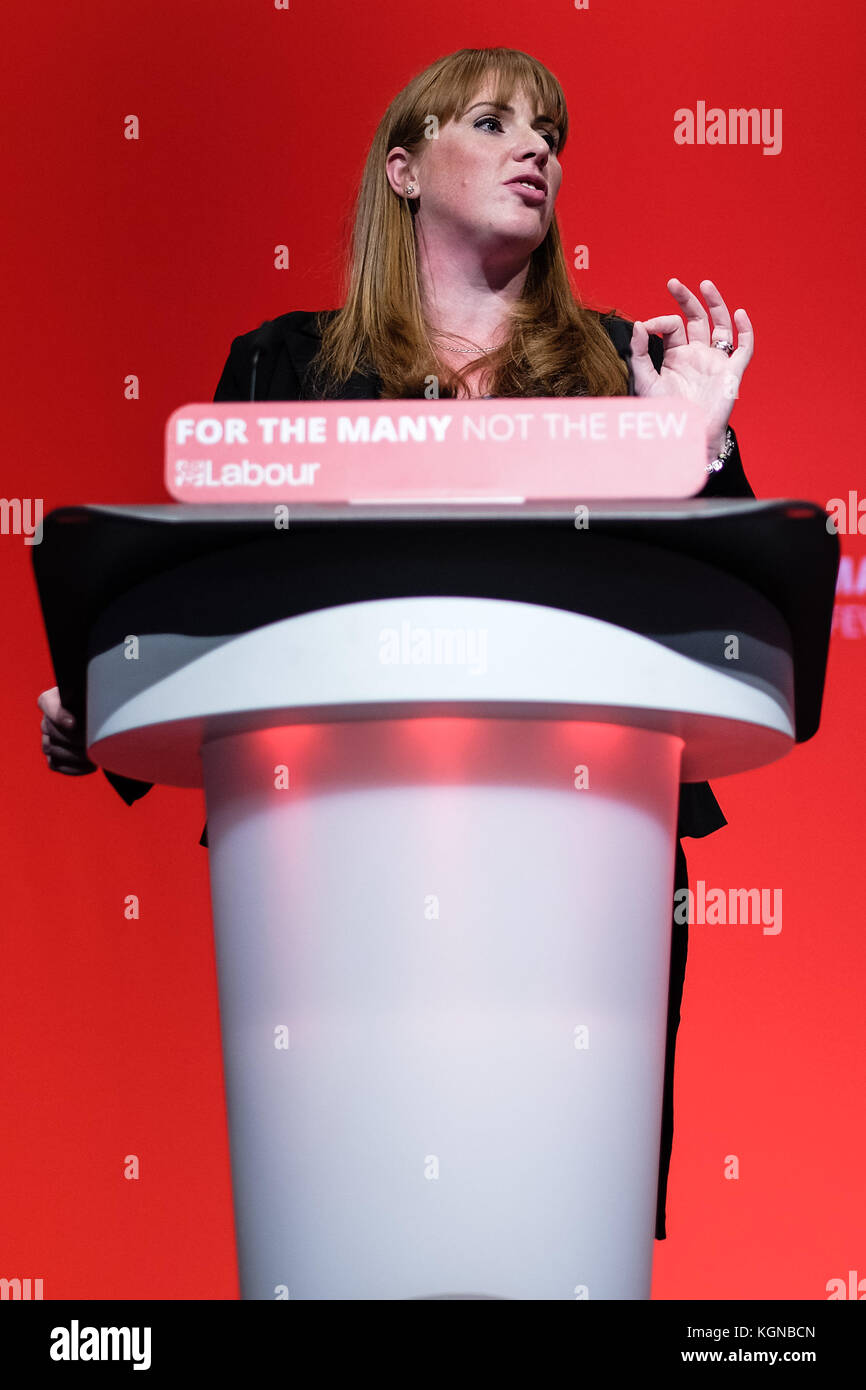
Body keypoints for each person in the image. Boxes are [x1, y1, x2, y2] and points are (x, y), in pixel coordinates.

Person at [38, 46, 755, 1241]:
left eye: (552, 135)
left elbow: (728, 622)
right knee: (344, 1225)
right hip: (328, 871)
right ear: (404, 168)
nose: (538, 151)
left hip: (581, 866)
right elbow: (216, 599)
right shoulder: (280, 366)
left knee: (551, 1225)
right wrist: (105, 701)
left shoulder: (630, 371)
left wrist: (694, 445)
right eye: (494, 122)